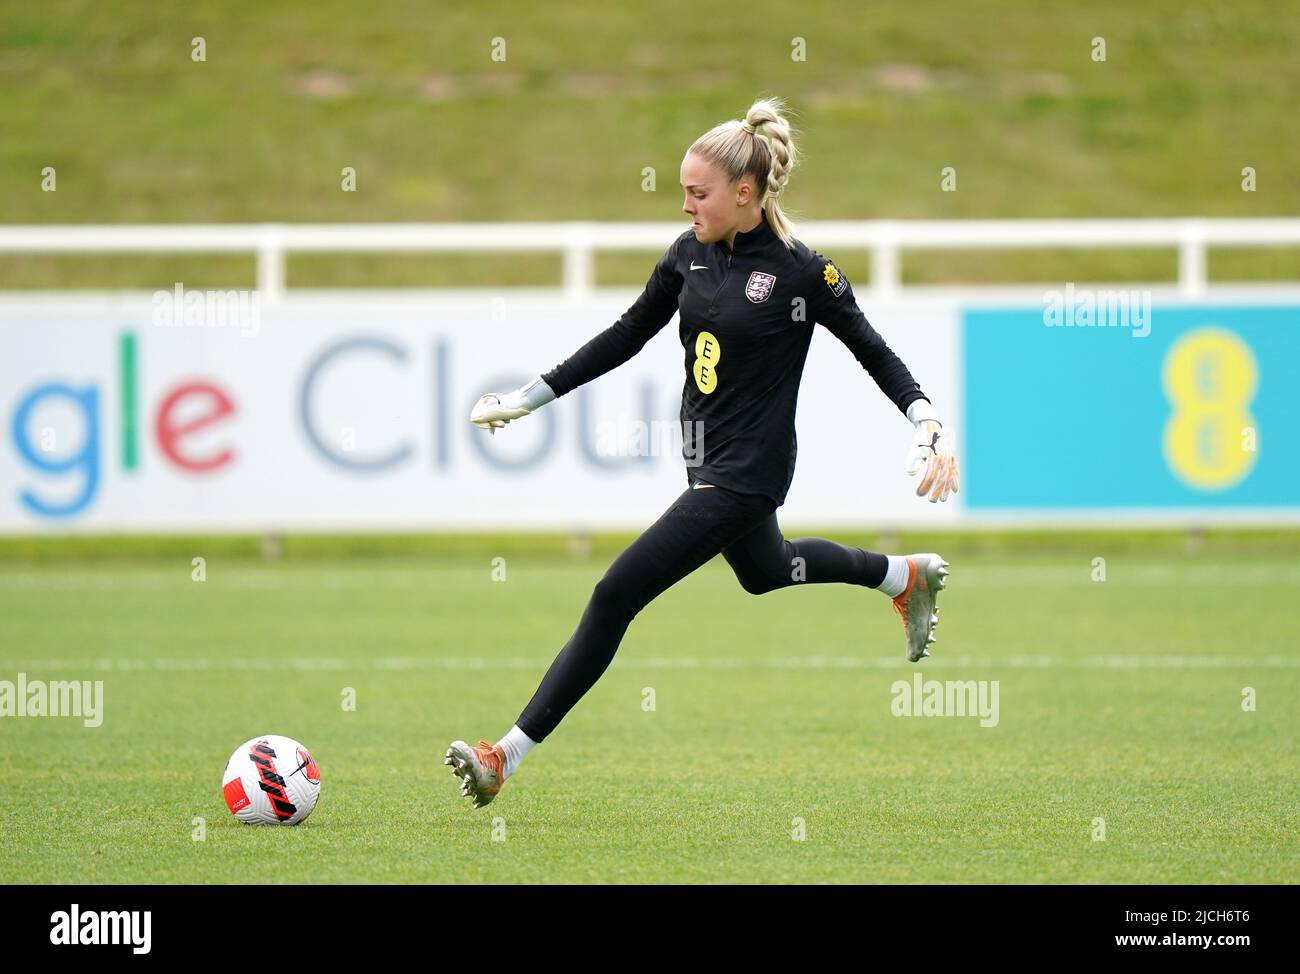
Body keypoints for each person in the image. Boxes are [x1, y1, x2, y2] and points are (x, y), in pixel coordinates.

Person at [445, 96, 959, 808]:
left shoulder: (804, 273)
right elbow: (627, 333)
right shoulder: (687, 256)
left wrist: (927, 420)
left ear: (744, 193)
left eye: (698, 193)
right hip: (704, 459)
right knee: (766, 570)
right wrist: (532, 395)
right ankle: (902, 577)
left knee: (613, 595)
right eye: (683, 192)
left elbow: (875, 352)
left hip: (746, 475)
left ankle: (506, 754)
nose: (686, 205)